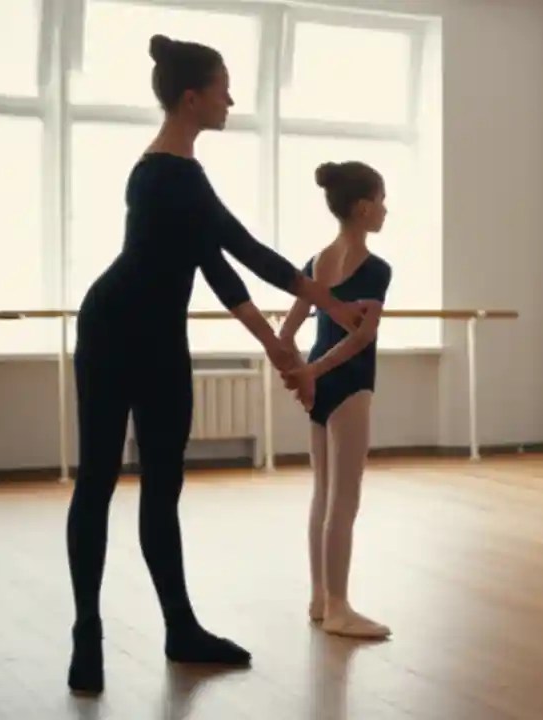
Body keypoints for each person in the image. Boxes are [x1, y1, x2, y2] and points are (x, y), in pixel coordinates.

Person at [65, 34, 363, 695]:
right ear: (192, 97)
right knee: (98, 479)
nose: (233, 98)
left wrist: (273, 341)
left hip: (158, 339)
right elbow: (246, 250)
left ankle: (179, 628)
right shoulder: (166, 173)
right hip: (114, 331)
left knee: (163, 487)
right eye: (224, 86)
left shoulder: (178, 178)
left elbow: (213, 266)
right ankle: (87, 633)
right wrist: (332, 307)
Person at [277, 161, 392, 640]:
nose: (386, 210)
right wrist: (315, 371)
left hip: (318, 387)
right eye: (382, 201)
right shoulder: (375, 268)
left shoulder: (316, 262)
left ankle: (321, 598)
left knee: (323, 493)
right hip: (345, 385)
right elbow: (362, 339)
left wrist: (303, 370)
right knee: (344, 499)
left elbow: (288, 330)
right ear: (364, 208)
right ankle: (340, 607)